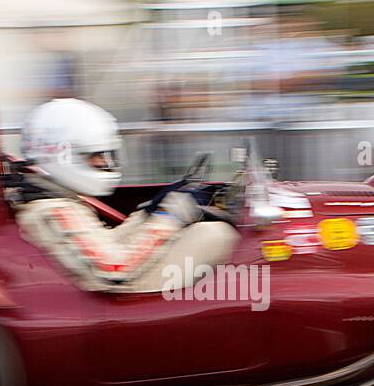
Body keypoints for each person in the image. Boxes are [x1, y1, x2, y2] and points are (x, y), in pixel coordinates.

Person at [15, 98, 237, 292]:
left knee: (203, 229)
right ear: (62, 154)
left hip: (114, 284)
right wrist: (171, 217)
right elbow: (115, 267)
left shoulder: (57, 203)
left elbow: (107, 245)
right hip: (118, 296)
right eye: (96, 156)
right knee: (215, 233)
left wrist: (149, 213)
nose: (104, 163)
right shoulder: (54, 211)